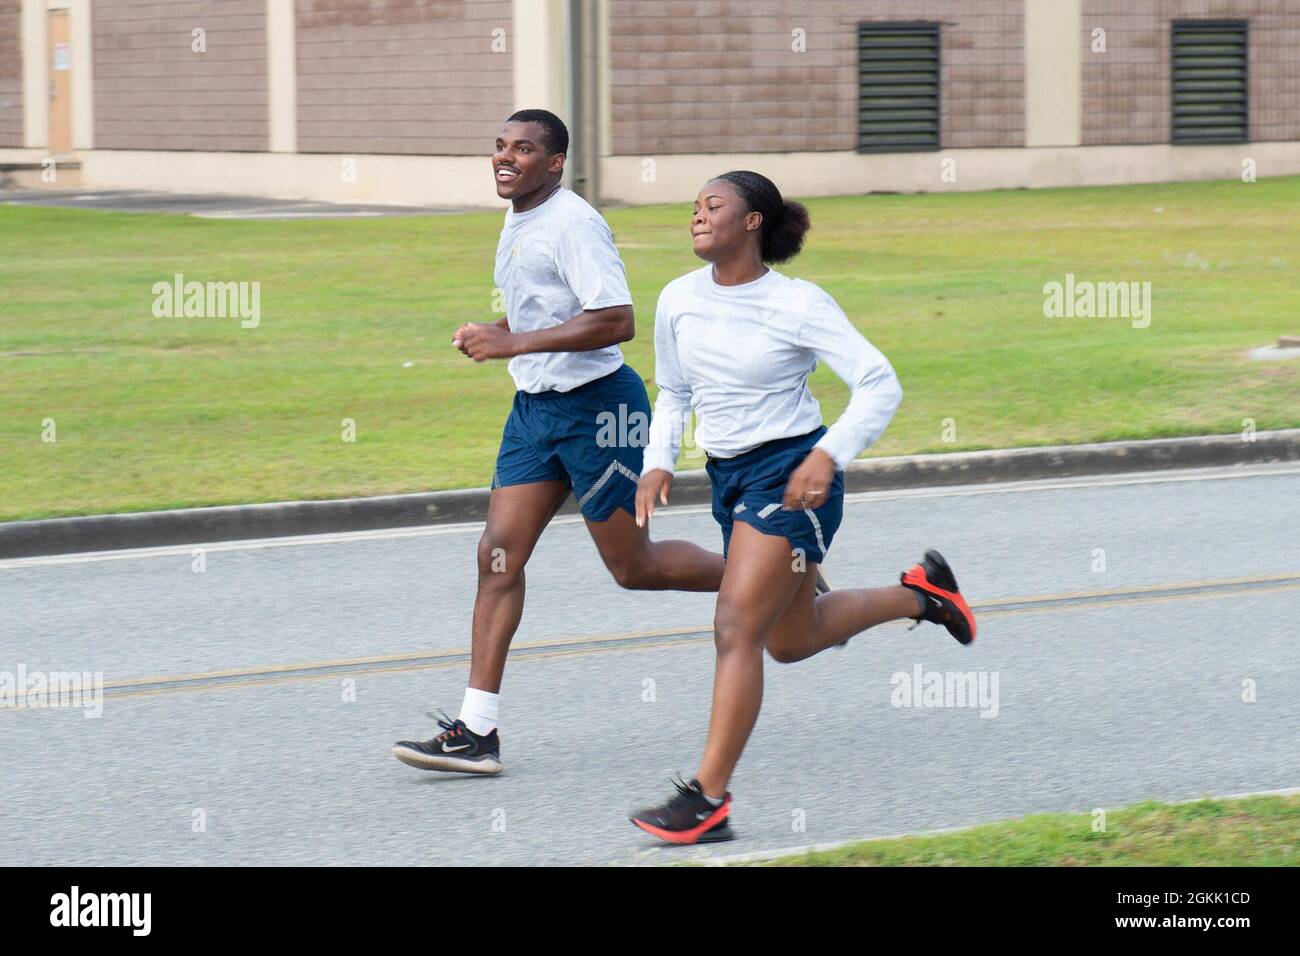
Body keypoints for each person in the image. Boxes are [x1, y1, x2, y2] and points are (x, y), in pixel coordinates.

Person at [628, 170, 977, 844]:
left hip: (793, 478)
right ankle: (923, 595)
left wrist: (828, 455)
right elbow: (672, 390)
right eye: (693, 207)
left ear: (753, 221)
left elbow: (879, 383)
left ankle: (707, 799)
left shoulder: (798, 303)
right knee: (791, 640)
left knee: (736, 626)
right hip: (730, 480)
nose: (697, 216)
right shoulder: (677, 299)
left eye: (713, 206)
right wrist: (657, 460)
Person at [392, 110, 730, 775]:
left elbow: (616, 319)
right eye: (499, 146)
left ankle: (768, 577)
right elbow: (546, 309)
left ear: (555, 164)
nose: (505, 157)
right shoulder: (521, 215)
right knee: (497, 555)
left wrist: (512, 342)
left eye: (523, 149)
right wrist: (497, 329)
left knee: (634, 567)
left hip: (599, 412)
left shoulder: (574, 223)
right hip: (534, 413)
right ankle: (477, 730)